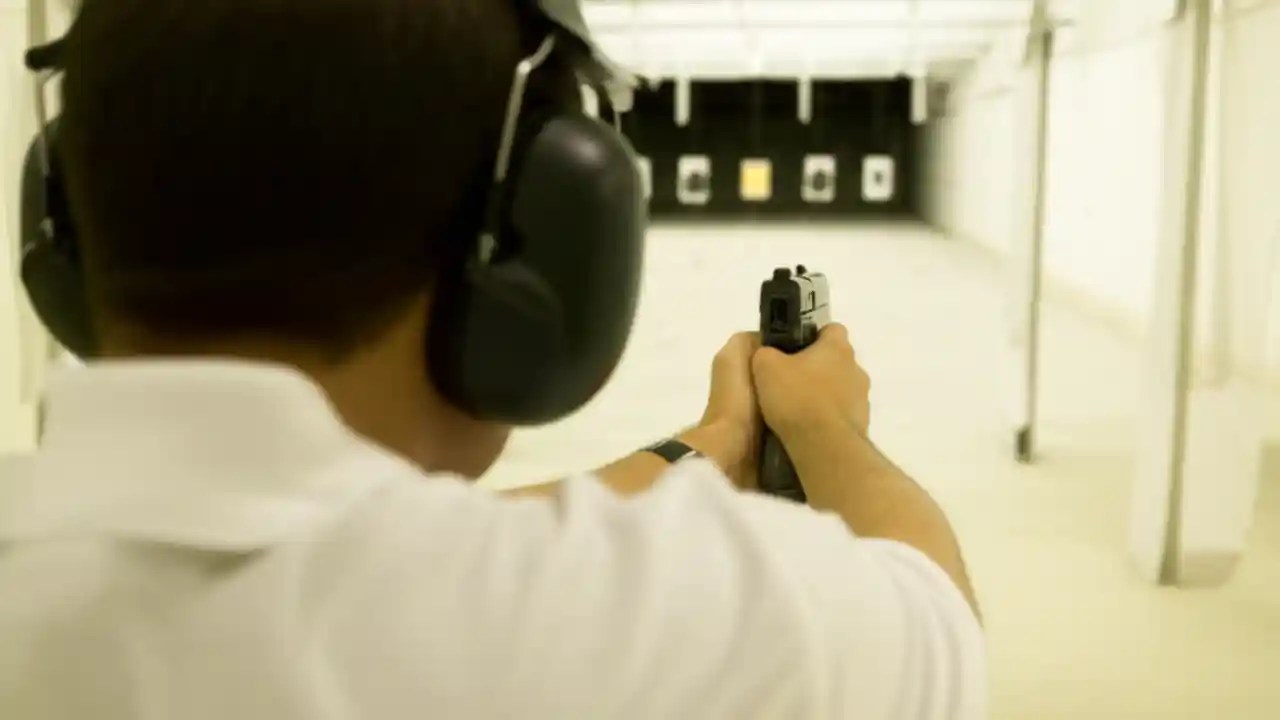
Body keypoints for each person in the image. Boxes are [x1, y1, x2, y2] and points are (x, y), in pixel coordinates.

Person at [0, 1, 984, 718]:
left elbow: (318, 528)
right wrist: (825, 425)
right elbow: (935, 619)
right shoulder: (666, 629)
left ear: (64, 227)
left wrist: (710, 444)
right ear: (551, 241)